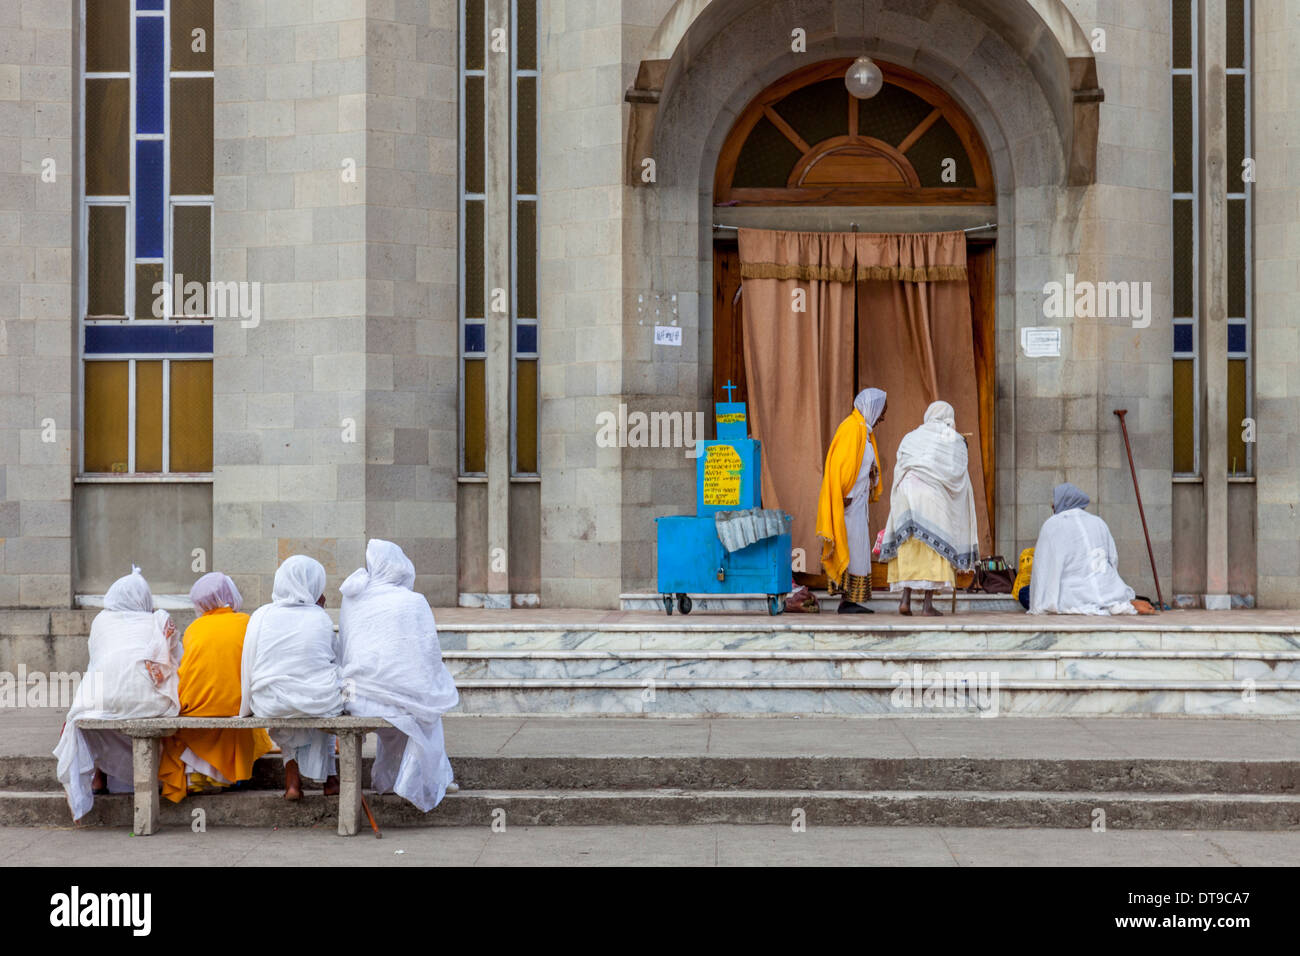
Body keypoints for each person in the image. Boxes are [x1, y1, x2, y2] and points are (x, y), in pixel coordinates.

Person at [339, 539, 460, 811]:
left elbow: (344, 650)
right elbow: (427, 656)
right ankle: (424, 780)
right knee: (426, 710)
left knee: (402, 703)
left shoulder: (353, 599)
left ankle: (390, 777)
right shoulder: (413, 602)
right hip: (388, 697)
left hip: (356, 698)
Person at [53, 567, 182, 821]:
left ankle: (98, 778)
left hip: (102, 700)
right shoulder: (159, 619)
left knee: (88, 711)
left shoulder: (101, 621)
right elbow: (178, 661)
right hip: (152, 702)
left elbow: (96, 662)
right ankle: (162, 775)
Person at [158, 573, 274, 803]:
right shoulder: (247, 623)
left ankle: (199, 779)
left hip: (197, 707)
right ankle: (226, 776)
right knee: (242, 710)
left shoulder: (194, 628)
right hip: (238, 707)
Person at [240, 555, 344, 800]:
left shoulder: (261, 615)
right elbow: (333, 659)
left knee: (288, 699)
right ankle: (330, 779)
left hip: (269, 700)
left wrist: (247, 703)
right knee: (325, 693)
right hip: (317, 702)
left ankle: (292, 781)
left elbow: (249, 662)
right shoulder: (320, 617)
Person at [879, 401, 979, 616]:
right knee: (935, 544)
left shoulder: (911, 436)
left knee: (910, 544)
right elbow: (956, 470)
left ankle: (905, 600)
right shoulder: (951, 437)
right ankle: (927, 605)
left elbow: (901, 463)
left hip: (906, 493)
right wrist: (962, 444)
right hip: (932, 495)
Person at [816, 387, 888, 613]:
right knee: (851, 549)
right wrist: (843, 495)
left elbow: (862, 467)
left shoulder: (864, 432)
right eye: (882, 410)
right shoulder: (851, 429)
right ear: (872, 408)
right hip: (847, 504)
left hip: (856, 505)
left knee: (858, 550)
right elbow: (840, 467)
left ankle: (850, 600)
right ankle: (846, 600)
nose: (883, 416)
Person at [1029, 483, 1137, 615]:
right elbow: (1113, 559)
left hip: (1072, 596)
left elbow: (1043, 567)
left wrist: (1038, 602)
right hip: (1109, 591)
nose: (1053, 505)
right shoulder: (1099, 522)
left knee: (1024, 593)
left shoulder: (1053, 523)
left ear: (1063, 501)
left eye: (1055, 500)